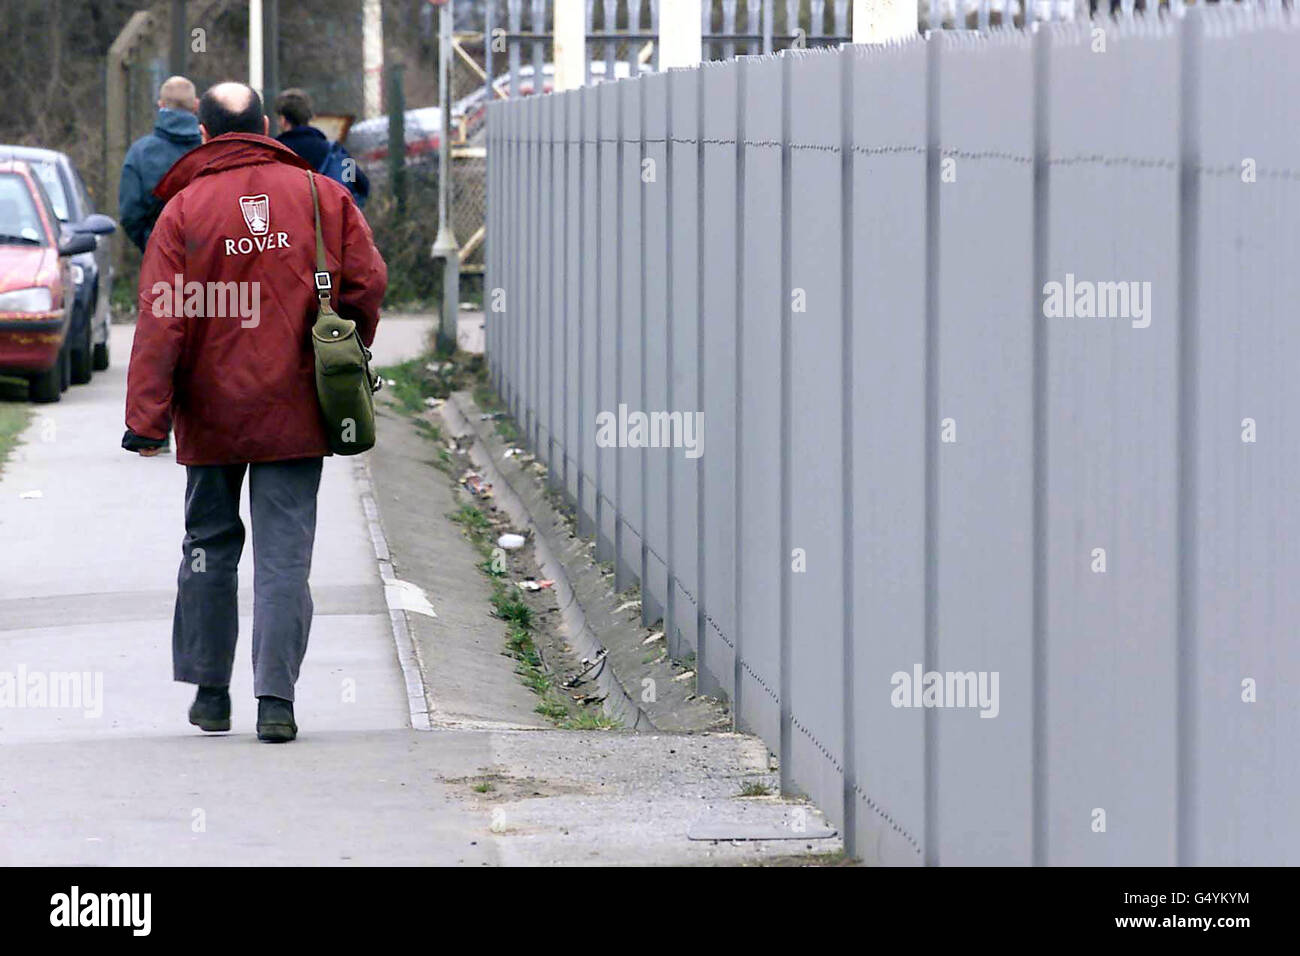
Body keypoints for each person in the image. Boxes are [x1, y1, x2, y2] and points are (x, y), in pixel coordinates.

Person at [122, 82, 387, 742]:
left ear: (205, 135)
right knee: (283, 556)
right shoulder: (324, 199)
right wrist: (347, 341)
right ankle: (276, 703)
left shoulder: (182, 211)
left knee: (210, 547)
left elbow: (162, 318)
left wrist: (147, 418)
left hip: (211, 414)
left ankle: (212, 694)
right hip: (296, 407)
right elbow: (367, 283)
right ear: (267, 125)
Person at [118, 76, 202, 252]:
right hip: (210, 256)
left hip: (161, 254)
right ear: (196, 105)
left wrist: (151, 245)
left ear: (161, 105)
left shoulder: (140, 153)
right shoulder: (212, 149)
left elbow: (130, 214)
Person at [274, 88, 370, 209]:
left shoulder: (273, 153)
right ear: (308, 117)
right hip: (328, 223)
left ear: (283, 120)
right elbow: (362, 186)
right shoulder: (335, 151)